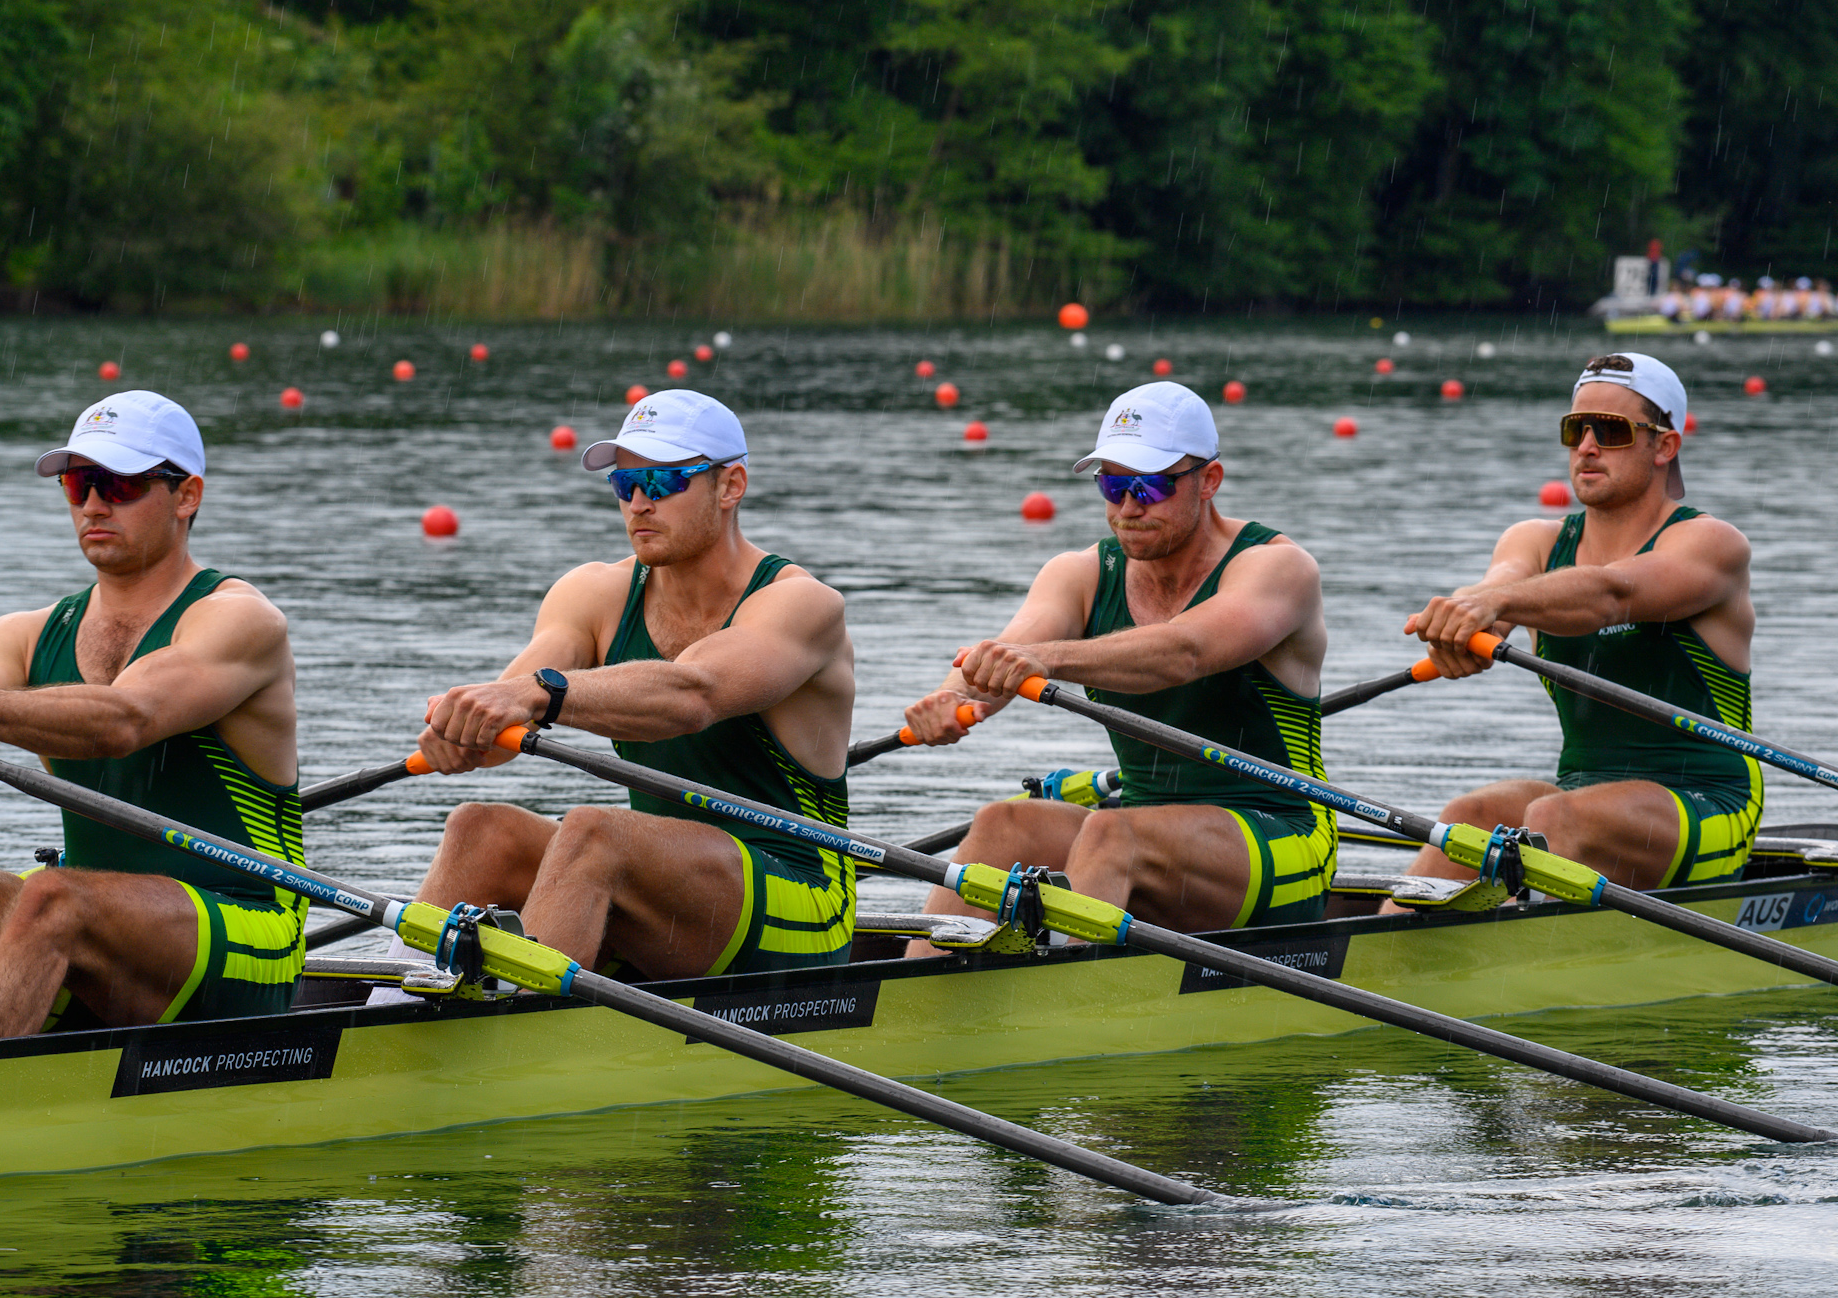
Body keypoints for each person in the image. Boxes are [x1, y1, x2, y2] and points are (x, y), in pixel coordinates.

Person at [0, 391, 302, 1053]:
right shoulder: (22, 635)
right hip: (89, 921)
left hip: (245, 924)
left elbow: (126, 718)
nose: (94, 504)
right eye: (78, 483)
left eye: (121, 484)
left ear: (187, 497)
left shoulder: (239, 620)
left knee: (56, 897)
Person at [380, 389, 855, 987]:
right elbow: (508, 721)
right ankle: (387, 1014)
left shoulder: (801, 605)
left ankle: (525, 1044)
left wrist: (537, 694)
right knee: (480, 829)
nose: (637, 504)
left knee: (593, 833)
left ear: (731, 486)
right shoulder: (593, 593)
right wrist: (465, 729)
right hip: (669, 891)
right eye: (623, 485)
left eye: (661, 483)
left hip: (801, 901)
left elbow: (692, 694)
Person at [896, 381, 1334, 956]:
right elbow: (1007, 651)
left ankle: (1065, 1009)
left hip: (1283, 831)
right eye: (1113, 484)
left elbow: (1184, 652)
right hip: (1148, 825)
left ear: (1210, 481)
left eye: (1150, 485)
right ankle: (918, 996)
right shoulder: (1078, 573)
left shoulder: (1277, 569)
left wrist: (1046, 659)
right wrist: (951, 699)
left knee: (1110, 835)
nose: (1128, 507)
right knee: (1005, 824)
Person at [1391, 352, 1758, 903]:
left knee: (1552, 817)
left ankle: (1508, 957)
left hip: (1708, 801)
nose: (1585, 446)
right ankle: (1383, 949)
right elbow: (1498, 586)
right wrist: (1457, 623)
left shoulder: (1710, 545)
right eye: (1575, 428)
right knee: (1466, 821)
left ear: (1664, 446)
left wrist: (1490, 605)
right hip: (1581, 795)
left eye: (1609, 430)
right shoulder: (1535, 541)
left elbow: (1611, 595)